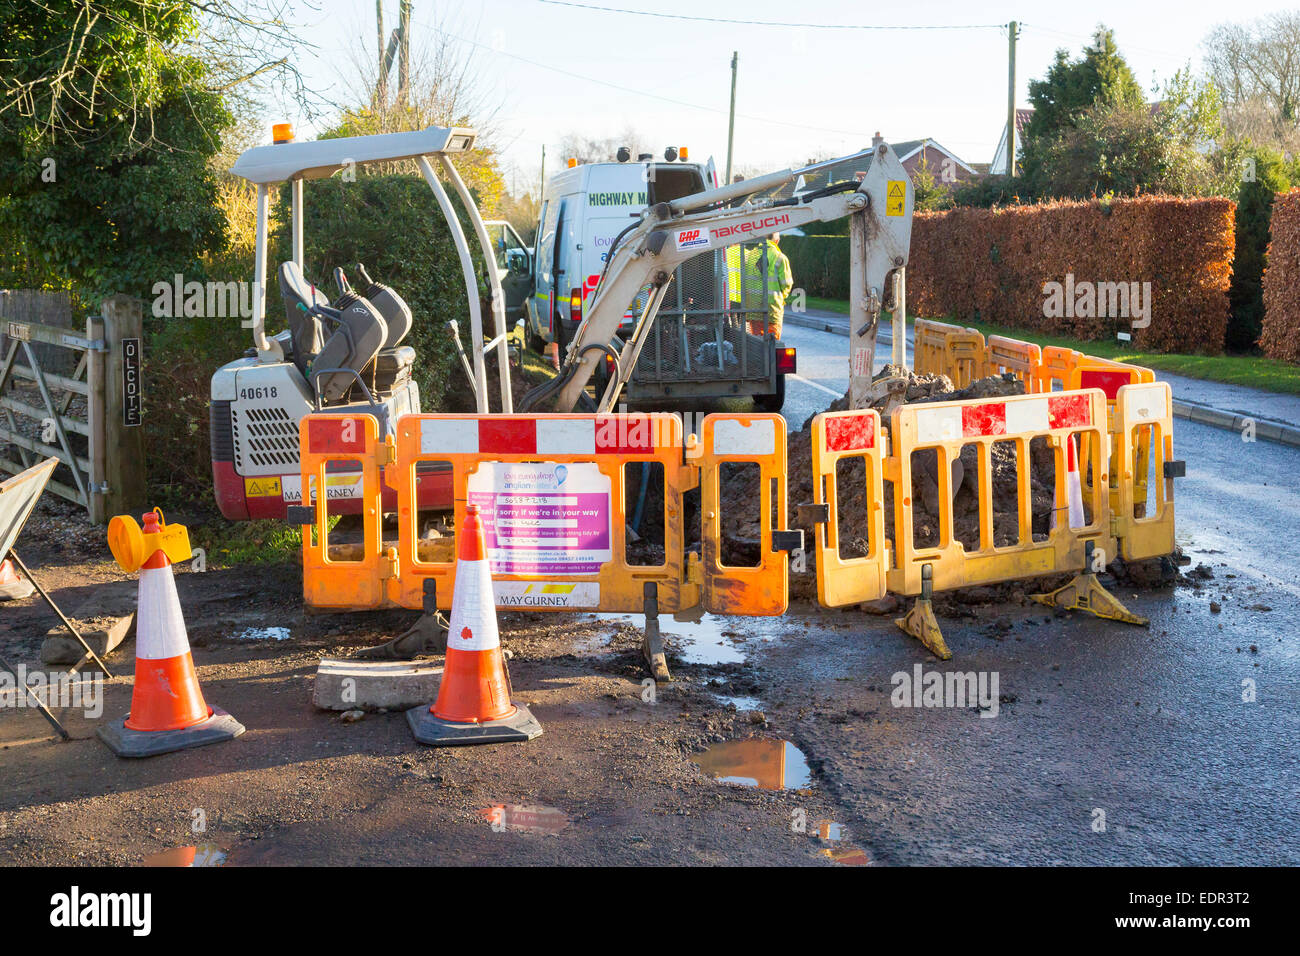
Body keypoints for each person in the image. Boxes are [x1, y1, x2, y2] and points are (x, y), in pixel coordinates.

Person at [738, 232, 793, 338]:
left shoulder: (749, 256)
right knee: (772, 344)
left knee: (757, 343)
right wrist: (782, 297)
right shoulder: (780, 257)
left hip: (753, 308)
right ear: (776, 241)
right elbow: (786, 284)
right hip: (771, 309)